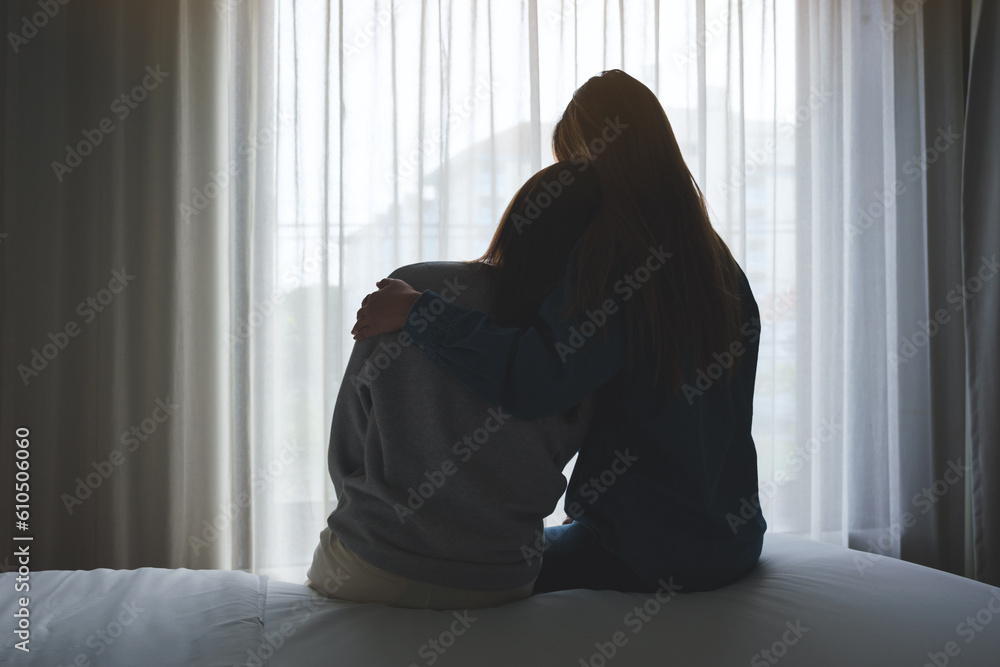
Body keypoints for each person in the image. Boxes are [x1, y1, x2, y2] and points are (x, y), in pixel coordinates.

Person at [352, 69, 767, 594]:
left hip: (641, 552)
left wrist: (418, 313)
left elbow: (538, 378)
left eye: (572, 162)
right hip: (733, 543)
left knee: (473, 567)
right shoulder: (719, 266)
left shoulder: (618, 258)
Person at [307, 161, 602, 609]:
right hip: (500, 580)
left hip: (370, 565)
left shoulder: (418, 287)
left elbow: (349, 433)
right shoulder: (587, 341)